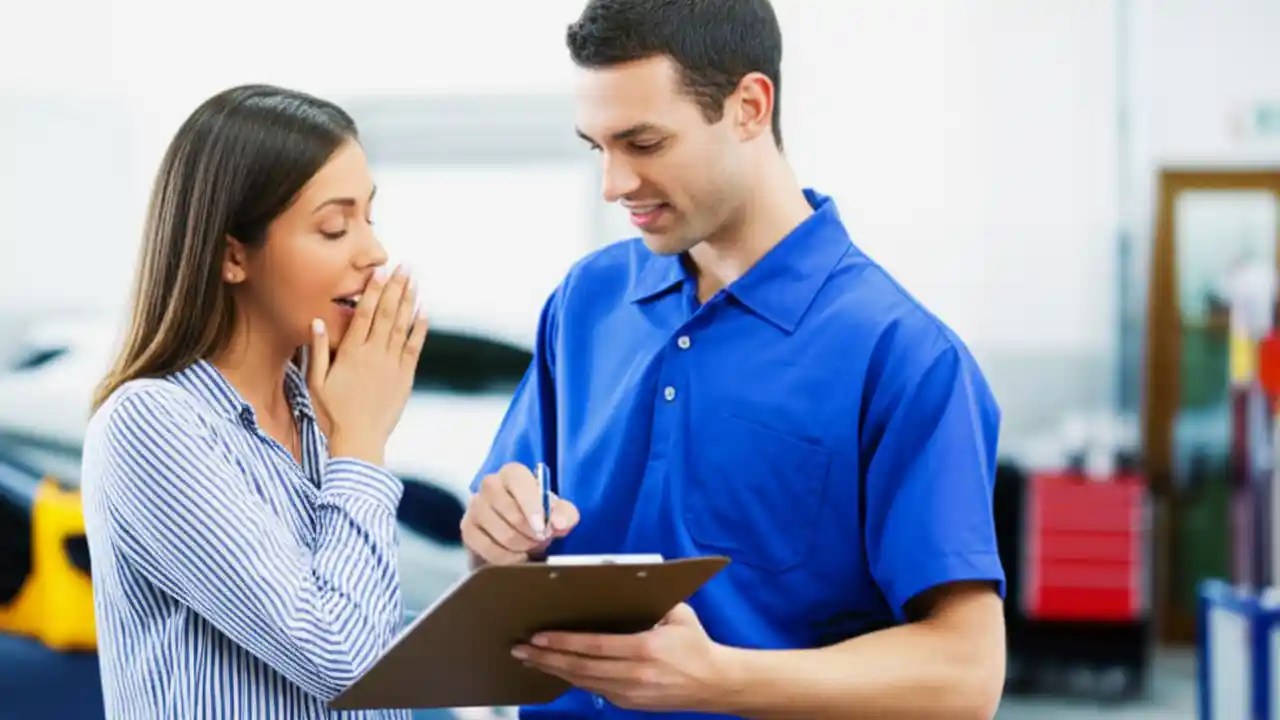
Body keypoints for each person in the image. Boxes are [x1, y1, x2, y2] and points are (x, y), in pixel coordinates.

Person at [460, 1, 1007, 718]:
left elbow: (964, 675)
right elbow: (499, 545)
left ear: (749, 106)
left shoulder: (904, 358)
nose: (614, 184)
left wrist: (715, 679)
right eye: (598, 148)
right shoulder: (587, 301)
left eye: (645, 143)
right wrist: (493, 535)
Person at [80, 84, 427, 719]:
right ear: (233, 255)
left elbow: (379, 678)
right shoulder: (152, 424)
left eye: (369, 218)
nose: (373, 252)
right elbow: (343, 659)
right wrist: (363, 446)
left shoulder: (323, 418)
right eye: (334, 226)